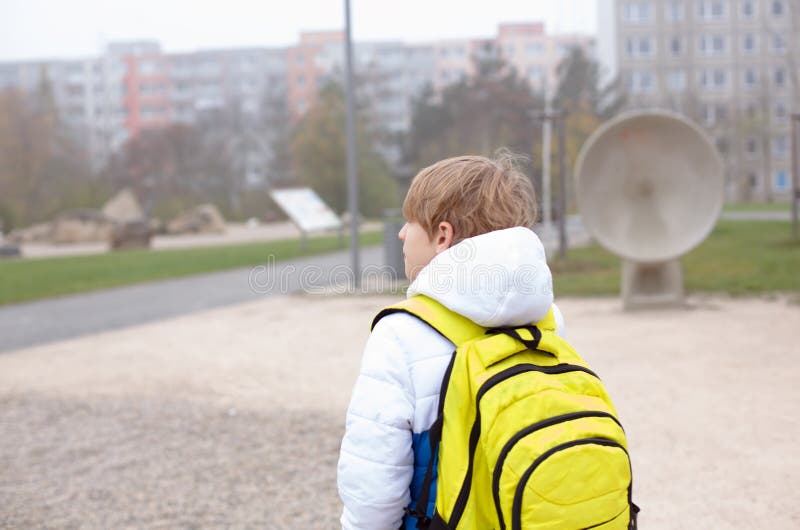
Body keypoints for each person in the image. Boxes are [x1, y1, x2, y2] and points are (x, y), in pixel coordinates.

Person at [337, 154, 564, 530]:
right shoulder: (547, 318)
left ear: (442, 236)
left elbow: (374, 482)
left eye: (410, 222)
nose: (401, 234)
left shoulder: (401, 333)